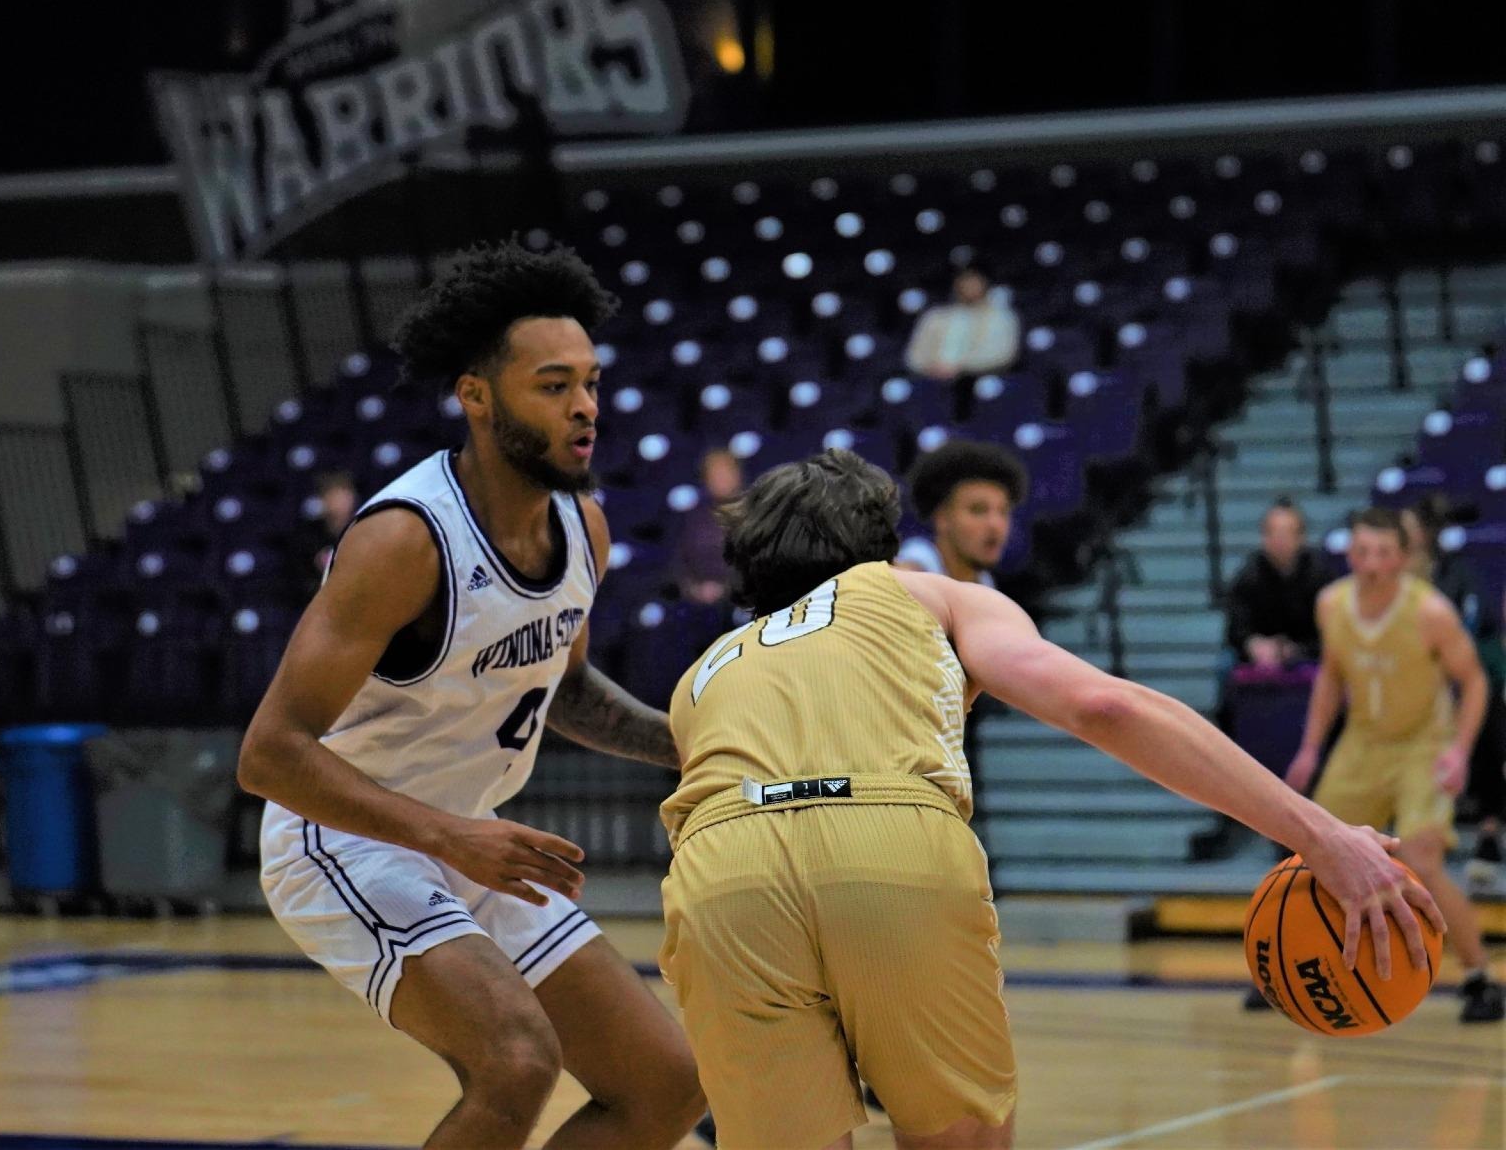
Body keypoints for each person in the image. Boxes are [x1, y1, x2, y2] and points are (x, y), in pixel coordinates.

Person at [658, 450, 1445, 1150]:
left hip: (719, 868)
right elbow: (1106, 707)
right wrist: (1315, 831)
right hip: (885, 841)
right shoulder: (932, 593)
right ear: (880, 542)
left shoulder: (704, 668)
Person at [236, 242, 704, 1150]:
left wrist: (695, 744)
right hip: (341, 839)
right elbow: (270, 753)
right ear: (477, 395)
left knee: (667, 1086)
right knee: (516, 1060)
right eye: (554, 385)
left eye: (592, 385)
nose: (584, 409)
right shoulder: (406, 540)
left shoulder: (583, 527)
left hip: (468, 839)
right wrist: (451, 835)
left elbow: (564, 692)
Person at [1278, 508, 1504, 1022]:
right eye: (1361, 551)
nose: (1371, 563)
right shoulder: (1330, 604)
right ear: (1349, 554)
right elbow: (1331, 680)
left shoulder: (1431, 612)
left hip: (1423, 745)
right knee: (1308, 850)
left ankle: (1477, 977)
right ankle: (1291, 971)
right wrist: (1311, 749)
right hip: (1362, 743)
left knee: (1422, 862)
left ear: (1404, 558)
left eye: (1383, 553)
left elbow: (1474, 682)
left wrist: (1458, 751)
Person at [1401, 497, 1506, 885]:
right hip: (1404, 684)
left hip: (1452, 679)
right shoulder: (1387, 578)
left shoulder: (1456, 575)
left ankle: (1489, 832)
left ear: (1425, 534)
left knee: (1484, 711)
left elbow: (1472, 636)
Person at [893, 441, 1026, 588]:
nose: (995, 524)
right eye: (978, 510)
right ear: (942, 518)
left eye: (1003, 512)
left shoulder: (984, 582)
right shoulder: (910, 573)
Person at [1224, 500, 1333, 671]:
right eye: (1273, 533)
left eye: (1287, 533)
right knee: (1225, 664)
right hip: (1260, 654)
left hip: (1309, 653)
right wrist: (1253, 644)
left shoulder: (1321, 575)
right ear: (1264, 537)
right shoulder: (1247, 576)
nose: (1280, 541)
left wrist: (1298, 650)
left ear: (1301, 537)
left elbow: (1331, 632)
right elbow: (1234, 630)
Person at [902, 266, 1019, 381]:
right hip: (931, 378)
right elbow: (913, 356)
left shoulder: (1001, 317)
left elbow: (1002, 355)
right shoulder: (935, 316)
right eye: (964, 281)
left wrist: (958, 367)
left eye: (974, 282)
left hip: (976, 379)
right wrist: (933, 367)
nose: (969, 286)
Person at [672, 448, 742, 606]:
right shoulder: (693, 516)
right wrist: (693, 589)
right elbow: (679, 560)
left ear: (737, 475)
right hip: (697, 600)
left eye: (726, 473)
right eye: (715, 475)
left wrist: (724, 589)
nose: (721, 480)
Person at [289, 469, 359, 604]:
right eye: (333, 496)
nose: (339, 502)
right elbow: (300, 577)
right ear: (323, 500)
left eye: (344, 495)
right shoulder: (309, 536)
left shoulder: (363, 529)